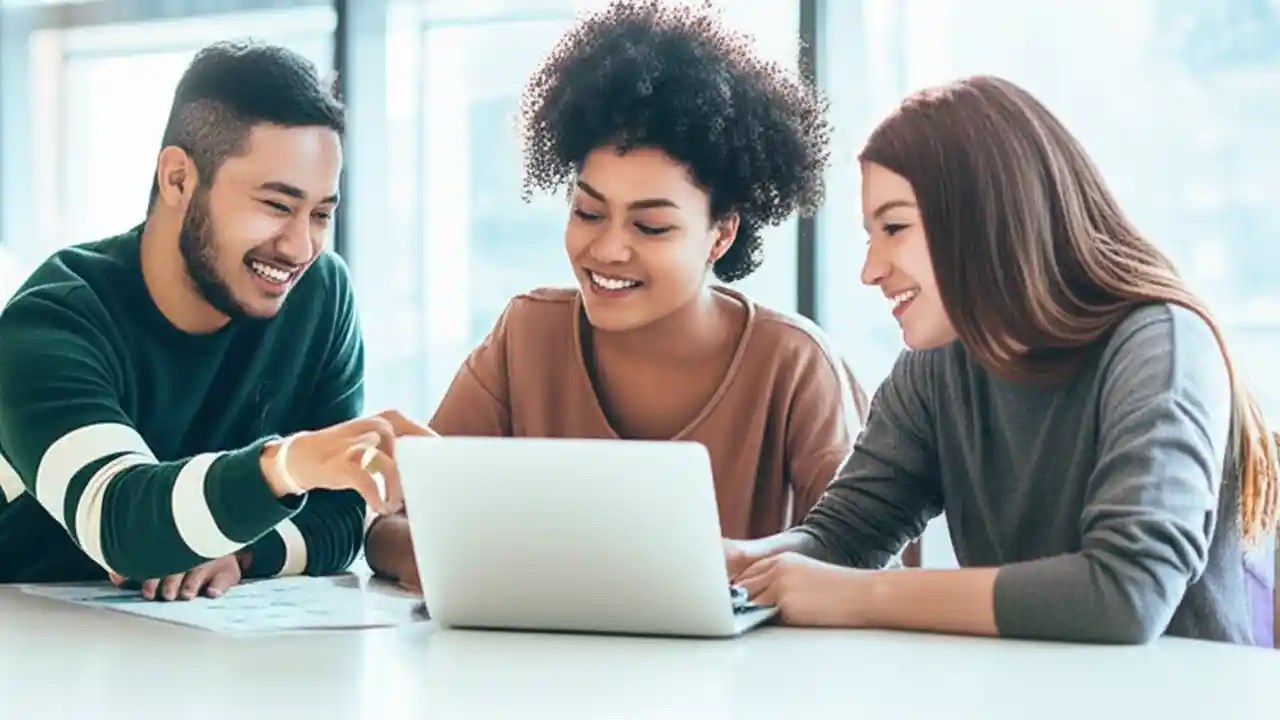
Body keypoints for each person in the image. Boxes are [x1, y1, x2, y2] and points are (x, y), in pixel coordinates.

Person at [726, 75, 1279, 646]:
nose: (870, 270)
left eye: (895, 228)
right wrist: (734, 563)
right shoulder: (939, 365)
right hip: (1021, 688)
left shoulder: (1161, 345)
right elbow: (842, 538)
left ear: (987, 215)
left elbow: (1127, 592)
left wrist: (857, 596)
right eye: (871, 235)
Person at [366, 0, 868, 590]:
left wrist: (726, 565)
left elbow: (862, 550)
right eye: (588, 212)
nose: (607, 249)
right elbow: (391, 525)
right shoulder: (526, 336)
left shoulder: (794, 364)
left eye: (650, 227)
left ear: (721, 235)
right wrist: (508, 564)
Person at [0, 40, 428, 600]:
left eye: (321, 213)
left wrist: (242, 551)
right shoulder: (51, 321)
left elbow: (341, 514)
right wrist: (288, 465)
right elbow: (119, 522)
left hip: (183, 639)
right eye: (277, 205)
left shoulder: (319, 296)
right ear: (178, 179)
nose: (300, 246)